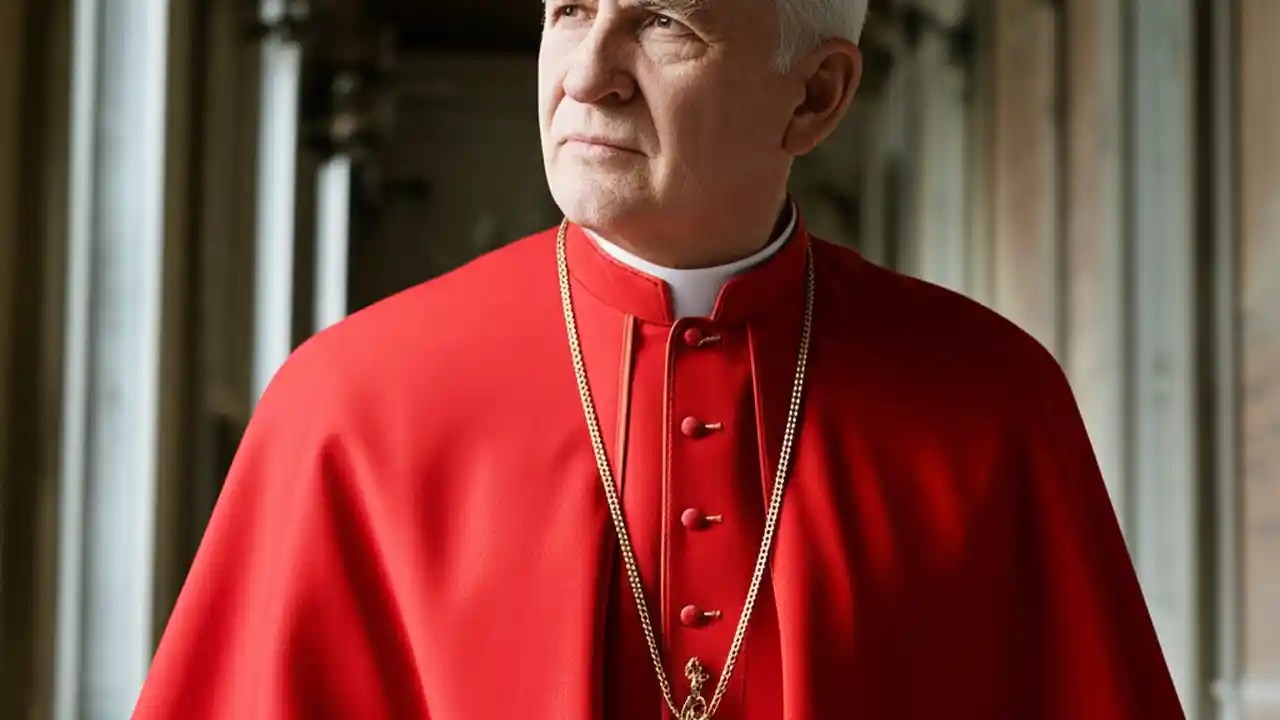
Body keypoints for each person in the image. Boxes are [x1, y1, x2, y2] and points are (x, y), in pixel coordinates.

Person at [134, 0, 1185, 718]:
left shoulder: (992, 403)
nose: (587, 77)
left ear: (815, 96)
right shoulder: (347, 404)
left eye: (662, 23)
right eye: (568, 12)